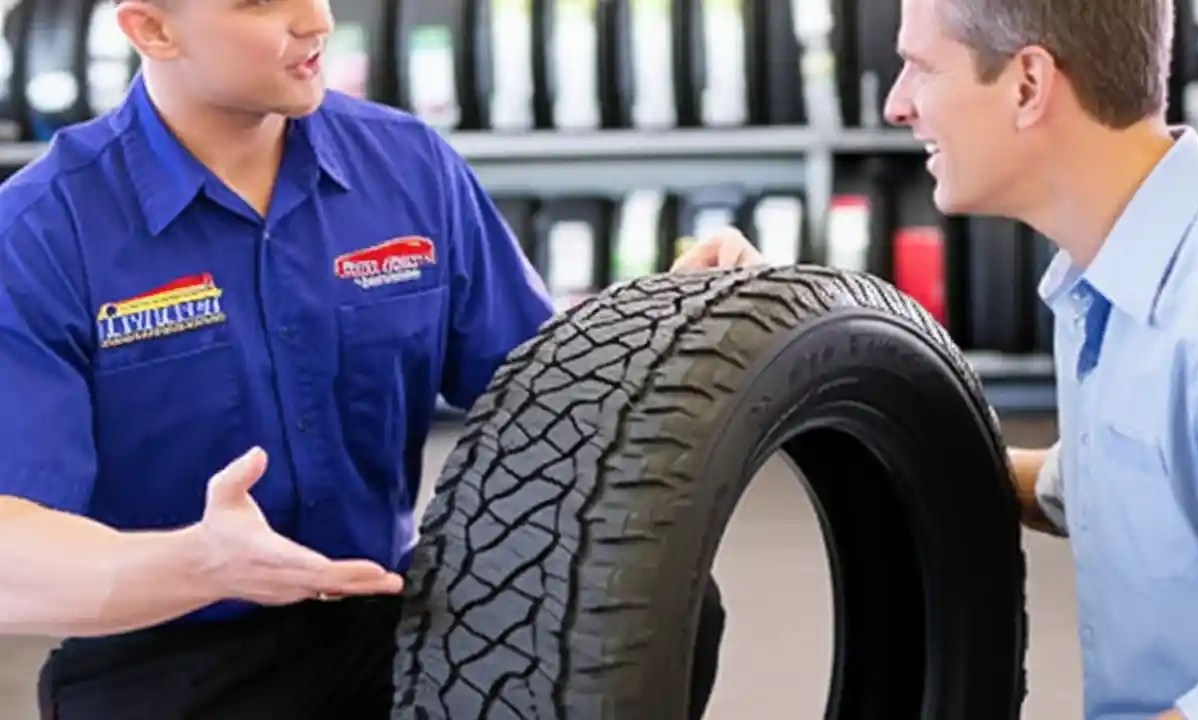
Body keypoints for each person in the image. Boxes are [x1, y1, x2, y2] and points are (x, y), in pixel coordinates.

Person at [0, 0, 724, 717]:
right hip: (170, 657)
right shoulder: (39, 232)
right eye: (259, 2)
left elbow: (542, 387)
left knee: (652, 595)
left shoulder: (408, 166)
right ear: (152, 29)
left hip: (393, 620)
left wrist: (665, 322)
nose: (314, 21)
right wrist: (199, 563)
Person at [675, 0, 1198, 718]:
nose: (898, 105)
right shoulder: (1110, 283)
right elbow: (1095, 482)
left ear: (1027, 84)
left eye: (921, 68)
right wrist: (781, 321)